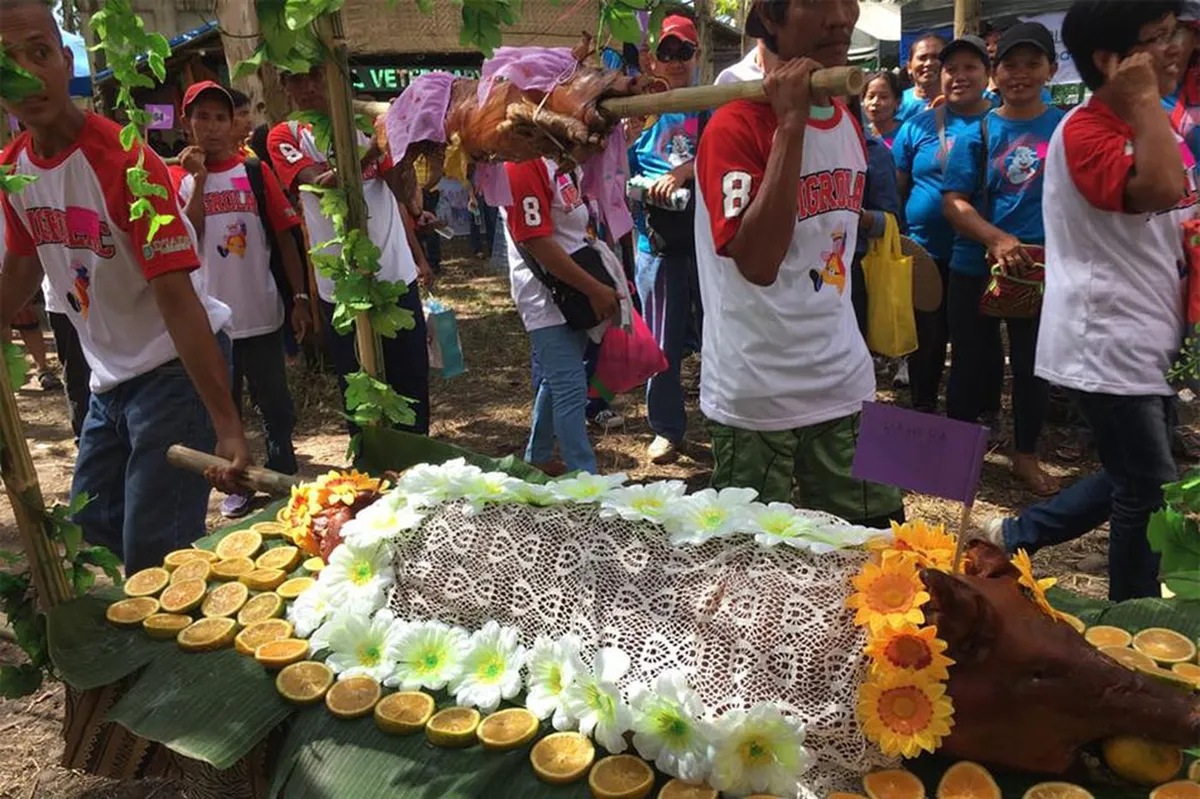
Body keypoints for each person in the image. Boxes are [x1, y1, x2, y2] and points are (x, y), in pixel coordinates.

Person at [0, 0, 248, 571]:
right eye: (8, 62)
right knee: (92, 535)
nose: (28, 74)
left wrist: (226, 423)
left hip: (173, 372)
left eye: (39, 53)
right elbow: (21, 263)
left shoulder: (123, 161)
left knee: (154, 557)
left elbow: (176, 298)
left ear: (66, 61)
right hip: (107, 381)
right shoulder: (14, 172)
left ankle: (171, 661)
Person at [984, 0, 1193, 602]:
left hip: (1149, 331)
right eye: (1157, 38)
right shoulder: (1087, 129)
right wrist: (1147, 99)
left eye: (1173, 32)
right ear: (1111, 61)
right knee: (1147, 487)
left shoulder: (1151, 121)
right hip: (1106, 337)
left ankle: (1018, 533)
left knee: (1140, 473)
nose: (1174, 47)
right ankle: (1134, 617)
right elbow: (1159, 187)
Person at [693, 0, 903, 527]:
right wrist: (789, 127)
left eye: (845, 0)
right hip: (757, 398)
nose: (841, 17)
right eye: (816, 2)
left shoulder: (847, 119)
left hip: (845, 383)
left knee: (877, 553)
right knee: (752, 571)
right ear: (768, 20)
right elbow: (759, 262)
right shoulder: (734, 125)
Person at [268, 64, 434, 436]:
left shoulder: (369, 125)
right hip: (341, 290)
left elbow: (404, 193)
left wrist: (404, 141)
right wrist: (376, 147)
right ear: (284, 85)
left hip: (395, 273)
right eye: (297, 77)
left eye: (317, 74)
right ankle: (369, 476)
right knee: (358, 388)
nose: (309, 85)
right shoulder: (285, 134)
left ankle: (417, 472)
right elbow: (325, 182)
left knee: (411, 381)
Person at [942, 23, 1066, 498]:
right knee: (970, 362)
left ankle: (1026, 456)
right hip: (975, 265)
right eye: (1010, 65)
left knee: (1034, 365)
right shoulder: (982, 130)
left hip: (1041, 270)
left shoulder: (1064, 128)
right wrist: (994, 238)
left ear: (1050, 69)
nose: (1020, 75)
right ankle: (957, 459)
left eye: (1032, 64)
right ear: (995, 73)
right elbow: (954, 201)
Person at [178, 80, 312, 518]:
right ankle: (237, 484)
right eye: (203, 117)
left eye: (221, 117)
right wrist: (197, 181)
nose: (213, 128)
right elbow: (188, 234)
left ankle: (283, 473)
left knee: (274, 401)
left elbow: (285, 237)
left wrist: (299, 297)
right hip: (209, 323)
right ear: (187, 123)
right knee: (225, 407)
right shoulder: (176, 179)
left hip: (261, 311)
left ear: (234, 123)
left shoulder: (254, 172)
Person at [892, 35, 997, 416]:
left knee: (979, 339)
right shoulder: (916, 127)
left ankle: (983, 412)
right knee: (927, 335)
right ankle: (921, 409)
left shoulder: (1004, 122)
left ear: (988, 74)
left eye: (970, 68)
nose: (958, 76)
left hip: (980, 253)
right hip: (927, 250)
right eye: (952, 69)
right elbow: (898, 186)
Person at [502, 157, 622, 476]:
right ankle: (585, 480)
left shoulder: (559, 160)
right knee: (569, 386)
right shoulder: (523, 164)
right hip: (546, 296)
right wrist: (594, 288)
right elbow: (536, 240)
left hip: (573, 292)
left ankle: (538, 456)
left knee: (558, 382)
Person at [627, 14, 705, 466]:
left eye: (685, 51)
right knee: (662, 341)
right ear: (655, 57)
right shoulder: (639, 106)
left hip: (708, 239)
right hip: (655, 241)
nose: (676, 61)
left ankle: (725, 420)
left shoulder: (711, 101)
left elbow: (720, 149)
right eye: (668, 52)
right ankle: (667, 428)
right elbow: (617, 162)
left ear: (697, 56)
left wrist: (684, 172)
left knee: (718, 333)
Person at [896, 33, 946, 124]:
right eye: (922, 58)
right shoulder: (896, 103)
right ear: (909, 67)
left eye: (936, 57)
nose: (929, 63)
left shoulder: (960, 102)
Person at [863, 70, 903, 149]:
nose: (875, 102)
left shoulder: (906, 134)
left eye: (883, 97)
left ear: (897, 102)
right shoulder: (861, 135)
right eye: (870, 97)